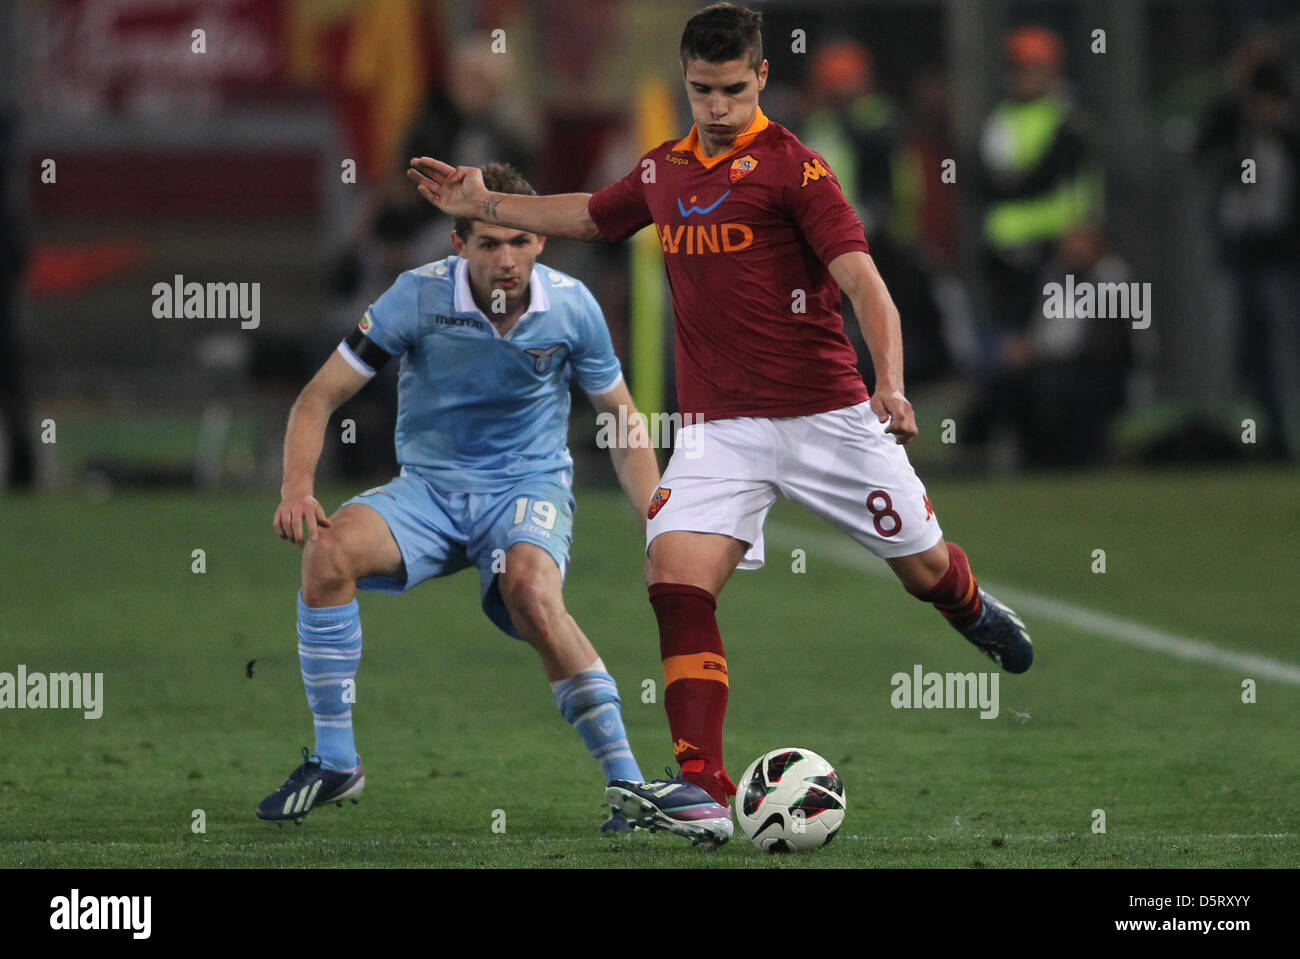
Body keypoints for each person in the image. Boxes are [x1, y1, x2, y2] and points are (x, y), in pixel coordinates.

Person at [408, 3, 1032, 850]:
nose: (717, 106)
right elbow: (590, 214)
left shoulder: (796, 171)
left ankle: (968, 605)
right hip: (720, 427)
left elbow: (864, 282)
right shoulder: (664, 171)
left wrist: (889, 381)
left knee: (924, 571)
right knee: (674, 575)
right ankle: (701, 781)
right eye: (702, 89)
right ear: (686, 79)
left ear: (761, 77)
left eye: (733, 89)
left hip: (827, 416)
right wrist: (482, 196)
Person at [257, 163, 661, 833]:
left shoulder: (571, 307)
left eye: (520, 242)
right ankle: (336, 761)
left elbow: (622, 421)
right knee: (327, 555)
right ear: (458, 246)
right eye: (488, 244)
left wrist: (657, 521)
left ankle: (628, 785)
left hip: (524, 489)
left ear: (542, 241)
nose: (506, 259)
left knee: (531, 592)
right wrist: (297, 487)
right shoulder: (415, 298)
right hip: (429, 493)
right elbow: (318, 395)